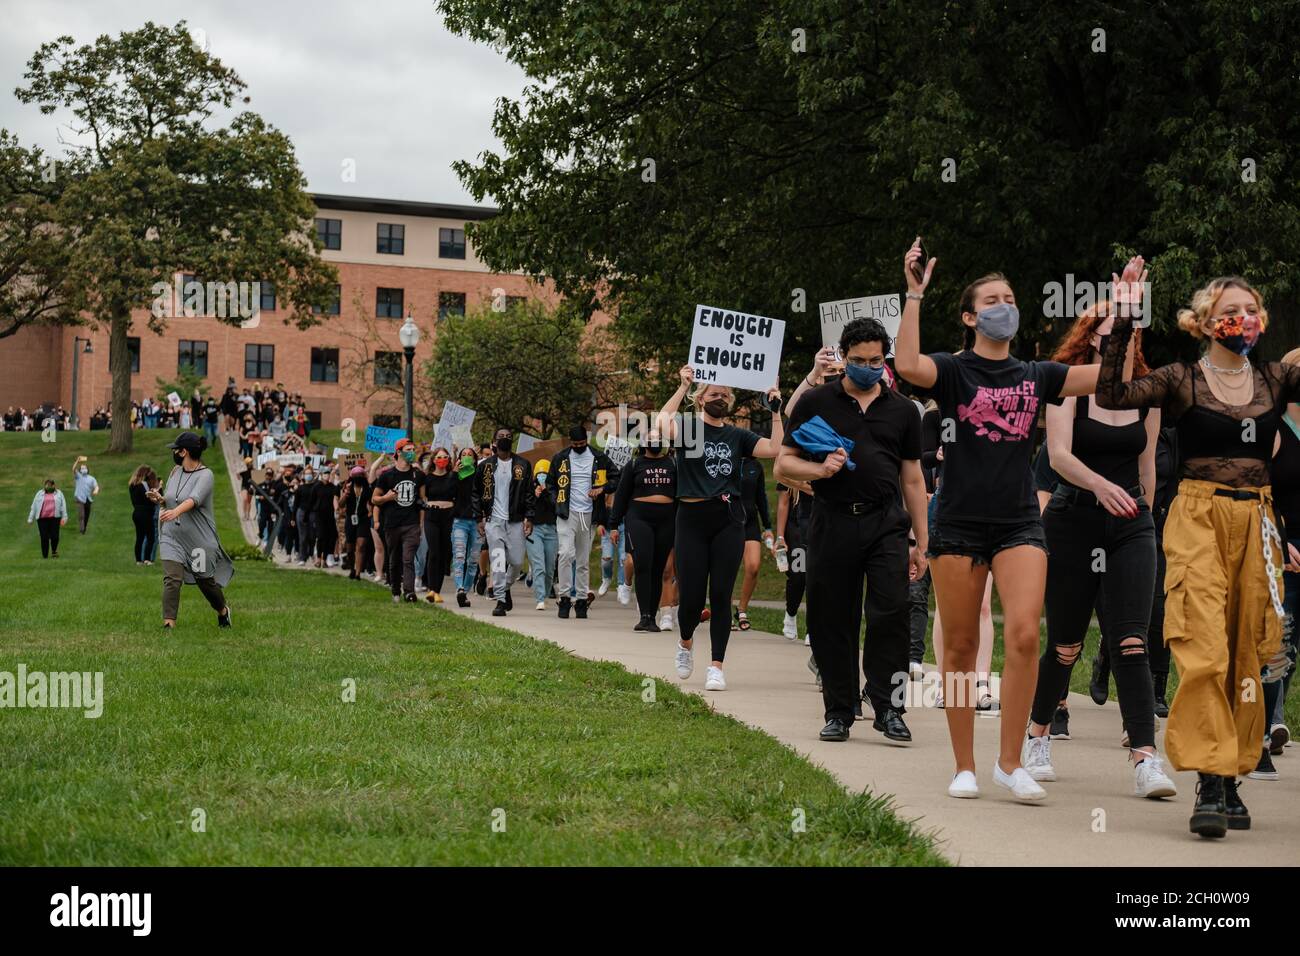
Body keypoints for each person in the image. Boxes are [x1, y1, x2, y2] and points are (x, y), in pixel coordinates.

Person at [893, 238, 1111, 803]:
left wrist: (1119, 316)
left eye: (1009, 297)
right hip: (958, 525)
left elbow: (1105, 380)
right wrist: (914, 295)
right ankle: (964, 764)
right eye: (991, 299)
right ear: (970, 316)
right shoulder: (953, 371)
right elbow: (907, 365)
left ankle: (1010, 762)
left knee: (1021, 634)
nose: (1003, 305)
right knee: (961, 647)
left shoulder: (1037, 374)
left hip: (1019, 523)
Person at [1096, 274, 1300, 837]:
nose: (1244, 319)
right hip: (1197, 516)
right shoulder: (1181, 378)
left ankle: (1231, 776)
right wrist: (1124, 317)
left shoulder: (1276, 378)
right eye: (1231, 311)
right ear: (1206, 322)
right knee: (1204, 647)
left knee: (1246, 655)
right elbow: (1113, 394)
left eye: (1252, 310)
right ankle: (1209, 780)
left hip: (1257, 520)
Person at [1021, 301, 1178, 799]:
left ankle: (1145, 759)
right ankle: (1038, 734)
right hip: (1073, 521)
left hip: (1131, 527)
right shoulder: (1067, 384)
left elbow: (1148, 463)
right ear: (1091, 338)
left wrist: (1148, 518)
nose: (1121, 341)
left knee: (1132, 641)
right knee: (1065, 645)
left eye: (1129, 334)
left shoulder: (1148, 394)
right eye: (1111, 332)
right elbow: (1059, 455)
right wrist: (1099, 486)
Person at [776, 317, 930, 743]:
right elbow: (783, 463)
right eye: (859, 360)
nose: (868, 367)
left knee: (892, 612)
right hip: (832, 519)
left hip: (886, 523)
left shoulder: (902, 409)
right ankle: (840, 710)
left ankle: (889, 707)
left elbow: (913, 479)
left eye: (876, 360)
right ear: (844, 358)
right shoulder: (816, 403)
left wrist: (921, 540)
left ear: (886, 359)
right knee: (832, 618)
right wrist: (819, 469)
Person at [656, 365, 784, 691]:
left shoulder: (737, 435)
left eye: (725, 395)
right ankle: (685, 642)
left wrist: (776, 409)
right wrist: (683, 385)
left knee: (722, 595)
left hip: (728, 520)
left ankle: (716, 666)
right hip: (691, 520)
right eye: (715, 394)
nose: (721, 399)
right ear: (701, 399)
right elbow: (660, 424)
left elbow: (774, 449)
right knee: (693, 597)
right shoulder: (689, 429)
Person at [1254, 346, 1300, 780]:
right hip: (1282, 548)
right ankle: (1261, 738)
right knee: (1276, 645)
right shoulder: (1274, 429)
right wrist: (1281, 542)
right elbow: (1258, 491)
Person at [157, 432, 233, 630]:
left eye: (176, 449)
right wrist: (160, 500)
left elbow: (194, 499)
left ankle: (223, 610)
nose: (174, 452)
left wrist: (175, 512)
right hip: (172, 535)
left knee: (205, 581)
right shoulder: (175, 472)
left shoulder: (206, 475)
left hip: (199, 540)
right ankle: (169, 624)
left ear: (185, 452)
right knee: (172, 579)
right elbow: (171, 497)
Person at [610, 431, 677, 631]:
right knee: (643, 563)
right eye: (651, 438)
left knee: (658, 568)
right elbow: (621, 496)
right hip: (639, 517)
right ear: (644, 442)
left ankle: (652, 617)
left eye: (658, 438)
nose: (654, 441)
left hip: (667, 519)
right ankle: (644, 616)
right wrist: (614, 525)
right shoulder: (633, 465)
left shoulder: (673, 464)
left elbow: (681, 495)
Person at [552, 425, 611, 619]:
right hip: (567, 513)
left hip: (589, 514)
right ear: (570, 442)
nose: (579, 446)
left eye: (582, 444)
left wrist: (601, 489)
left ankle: (582, 600)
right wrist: (558, 502)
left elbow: (616, 477)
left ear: (586, 441)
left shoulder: (599, 457)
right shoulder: (561, 458)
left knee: (583, 560)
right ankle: (565, 597)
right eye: (575, 444)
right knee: (566, 554)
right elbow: (551, 484)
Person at [474, 428, 532, 617]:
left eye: (508, 437)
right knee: (498, 561)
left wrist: (529, 517)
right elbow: (475, 492)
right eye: (501, 437)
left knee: (516, 562)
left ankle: (505, 587)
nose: (505, 439)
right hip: (494, 522)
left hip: (515, 521)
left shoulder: (523, 464)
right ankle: (500, 600)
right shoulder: (485, 466)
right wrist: (479, 518)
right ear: (494, 441)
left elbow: (529, 493)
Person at [372, 439, 425, 603]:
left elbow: (423, 500)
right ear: (399, 452)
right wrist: (387, 497)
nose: (412, 452)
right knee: (394, 559)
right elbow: (374, 499)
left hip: (412, 524)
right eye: (408, 449)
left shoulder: (418, 475)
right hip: (392, 524)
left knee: (408, 558)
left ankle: (409, 592)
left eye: (413, 449)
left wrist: (421, 524)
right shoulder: (387, 475)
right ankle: (395, 589)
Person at [732, 455, 772, 631]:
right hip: (728, 520)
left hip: (750, 522)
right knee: (726, 569)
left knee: (753, 566)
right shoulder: (727, 458)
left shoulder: (756, 466)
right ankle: (724, 613)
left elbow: (761, 497)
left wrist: (768, 527)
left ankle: (742, 609)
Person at [421, 447, 456, 603]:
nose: (443, 459)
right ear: (434, 459)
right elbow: (422, 497)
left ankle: (437, 590)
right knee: (434, 552)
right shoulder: (427, 478)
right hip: (432, 516)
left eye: (445, 457)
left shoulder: (452, 476)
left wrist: (456, 453)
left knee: (444, 554)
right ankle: (431, 589)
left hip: (448, 517)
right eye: (439, 457)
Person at [525, 458, 560, 610]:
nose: (542, 477)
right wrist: (535, 496)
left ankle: (544, 593)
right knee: (539, 565)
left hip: (552, 530)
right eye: (539, 474)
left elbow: (556, 505)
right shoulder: (530, 489)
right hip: (535, 530)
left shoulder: (555, 489)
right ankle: (540, 598)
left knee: (550, 567)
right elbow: (525, 506)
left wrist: (545, 492)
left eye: (545, 473)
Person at [450, 448, 481, 606]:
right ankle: (459, 588)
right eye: (464, 455)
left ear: (475, 459)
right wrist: (455, 473)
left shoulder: (480, 475)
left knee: (473, 560)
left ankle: (465, 591)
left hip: (477, 522)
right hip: (460, 521)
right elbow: (449, 491)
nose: (467, 457)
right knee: (460, 556)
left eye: (470, 455)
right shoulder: (456, 475)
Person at [341, 465, 373, 580]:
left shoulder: (368, 489)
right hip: (350, 518)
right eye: (356, 476)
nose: (358, 478)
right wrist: (346, 493)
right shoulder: (348, 488)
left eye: (360, 475)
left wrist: (370, 511)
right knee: (350, 547)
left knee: (361, 545)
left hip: (363, 519)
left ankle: (358, 573)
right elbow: (340, 504)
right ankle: (352, 569)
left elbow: (372, 502)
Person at [28, 477, 68, 558]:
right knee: (44, 537)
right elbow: (34, 506)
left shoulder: (59, 493)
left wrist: (64, 517)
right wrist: (30, 518)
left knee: (55, 536)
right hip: (42, 519)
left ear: (54, 486)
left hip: (55, 518)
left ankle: (54, 551)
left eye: (50, 485)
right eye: (47, 485)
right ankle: (45, 556)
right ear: (44, 486)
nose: (48, 486)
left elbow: (63, 506)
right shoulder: (39, 493)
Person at [129, 465, 159, 565]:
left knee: (140, 537)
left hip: (136, 512)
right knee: (150, 536)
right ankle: (147, 559)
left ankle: (138, 560)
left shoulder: (132, 484)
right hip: (146, 512)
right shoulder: (144, 484)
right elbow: (149, 497)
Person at [72, 455, 99, 534]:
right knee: (81, 515)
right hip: (79, 498)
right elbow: (73, 469)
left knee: (87, 515)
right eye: (82, 468)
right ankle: (81, 529)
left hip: (88, 499)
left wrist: (96, 490)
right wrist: (77, 461)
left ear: (87, 469)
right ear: (80, 470)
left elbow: (96, 486)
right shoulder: (78, 476)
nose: (84, 469)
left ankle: (84, 528)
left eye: (85, 468)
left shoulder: (91, 478)